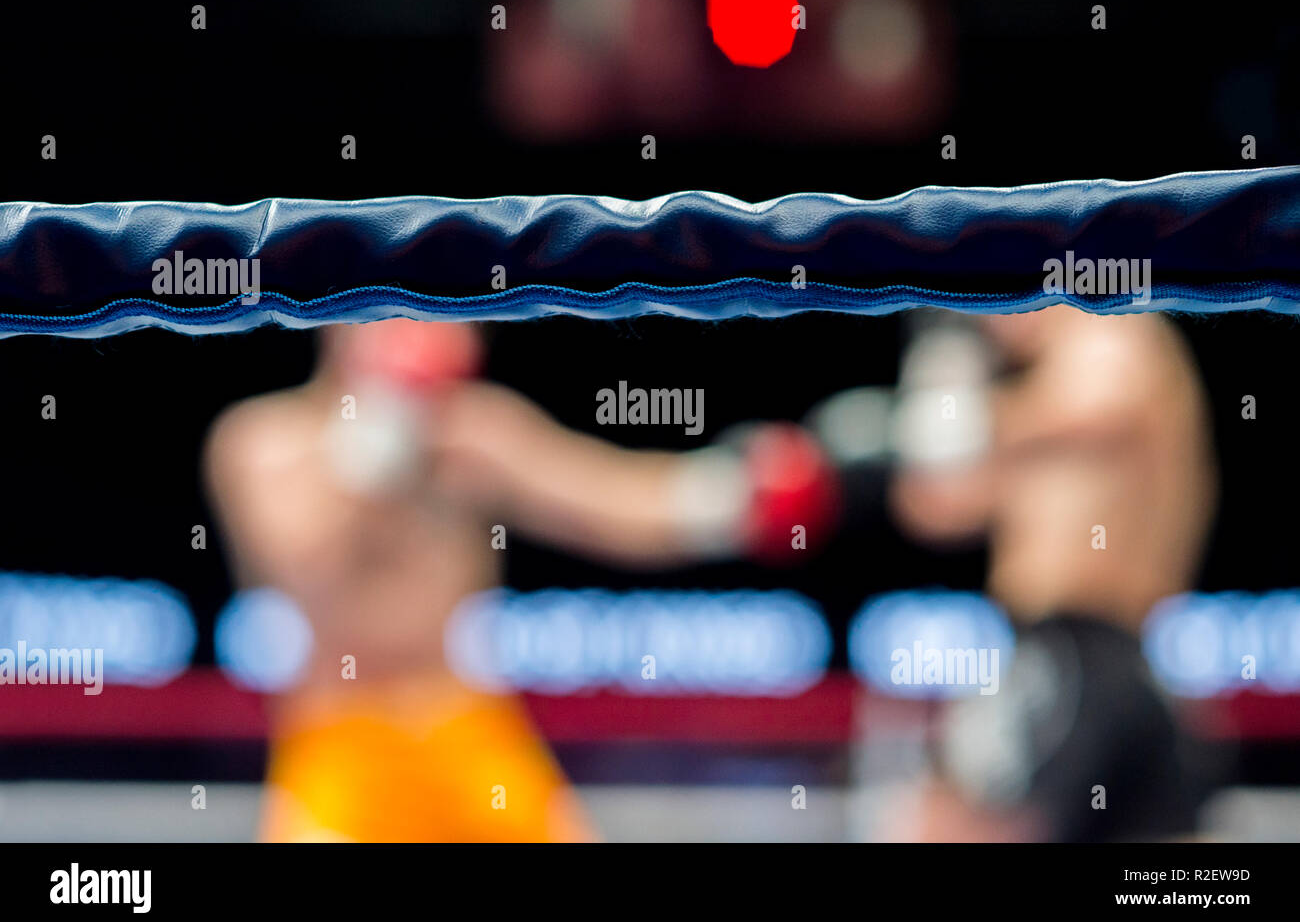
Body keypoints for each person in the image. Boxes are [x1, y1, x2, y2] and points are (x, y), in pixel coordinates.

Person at [205, 318, 837, 841]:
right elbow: (301, 565)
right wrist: (378, 439)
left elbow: (604, 500)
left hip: (465, 725)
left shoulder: (470, 430)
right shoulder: (263, 442)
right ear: (340, 324)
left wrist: (727, 499)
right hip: (338, 739)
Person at [886, 306, 1219, 841]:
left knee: (955, 824)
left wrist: (968, 417)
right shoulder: (1040, 416)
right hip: (1094, 659)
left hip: (1074, 656)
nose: (987, 322)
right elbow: (934, 509)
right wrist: (930, 423)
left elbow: (1103, 411)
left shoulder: (1109, 332)